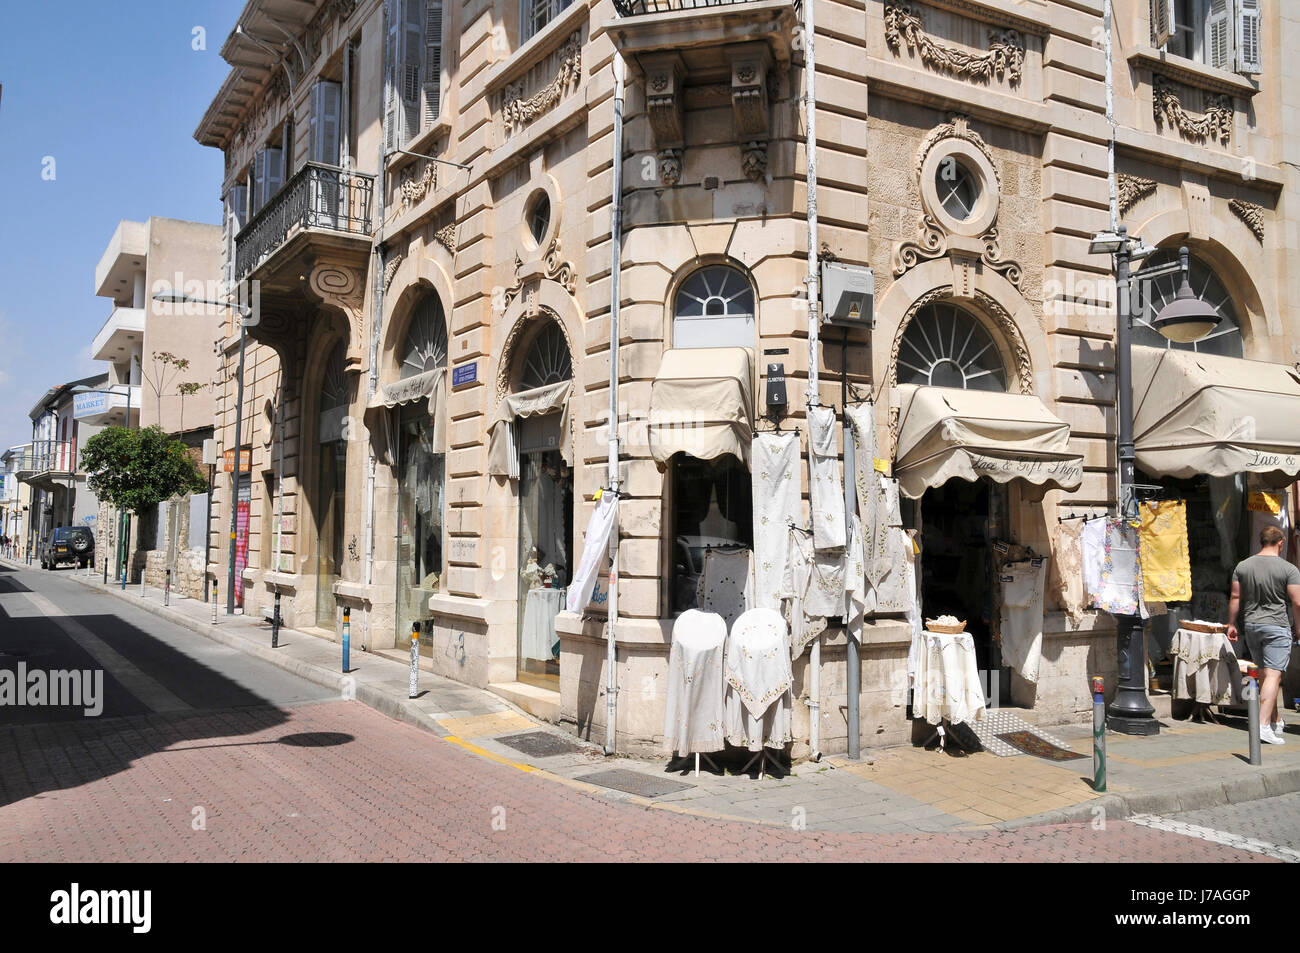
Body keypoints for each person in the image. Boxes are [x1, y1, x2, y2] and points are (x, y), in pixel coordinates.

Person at [1228, 524, 1300, 744]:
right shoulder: (1288, 569)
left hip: (1251, 626)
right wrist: (1299, 627)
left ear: (1261, 542)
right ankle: (1262, 726)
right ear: (1281, 542)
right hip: (1276, 626)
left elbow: (1235, 596)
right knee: (1274, 675)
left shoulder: (1243, 566)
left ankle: (1275, 720)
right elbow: (1297, 601)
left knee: (1265, 674)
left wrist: (1231, 624)